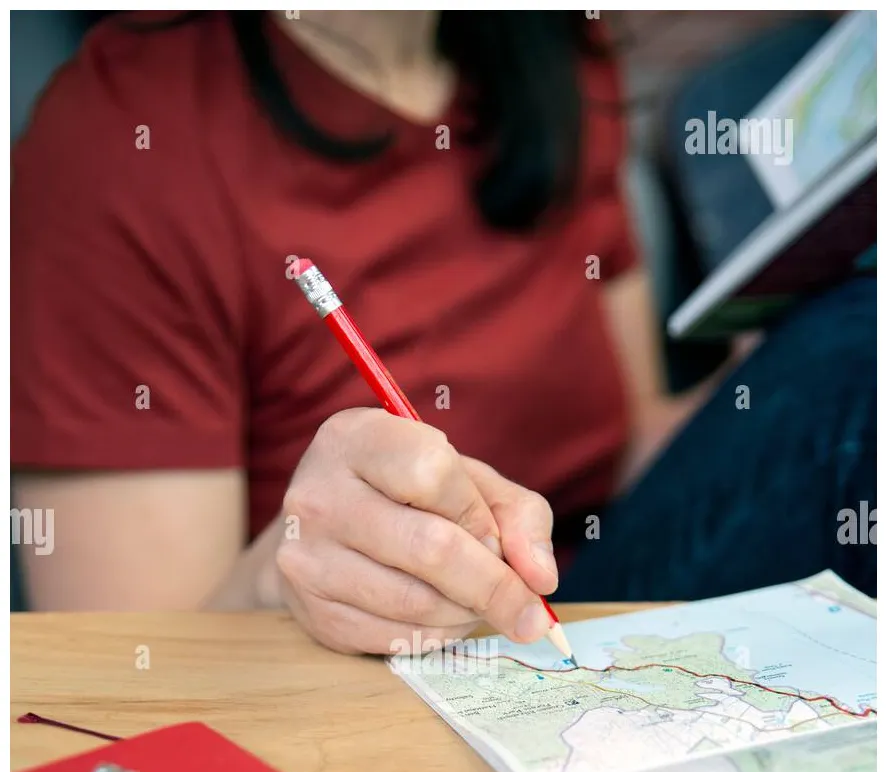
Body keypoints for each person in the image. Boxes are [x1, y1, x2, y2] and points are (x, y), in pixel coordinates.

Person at [11, 11, 875, 655]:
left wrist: (773, 391)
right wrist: (288, 575)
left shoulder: (552, 46)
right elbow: (130, 673)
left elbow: (624, 445)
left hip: (583, 611)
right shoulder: (119, 150)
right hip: (364, 678)